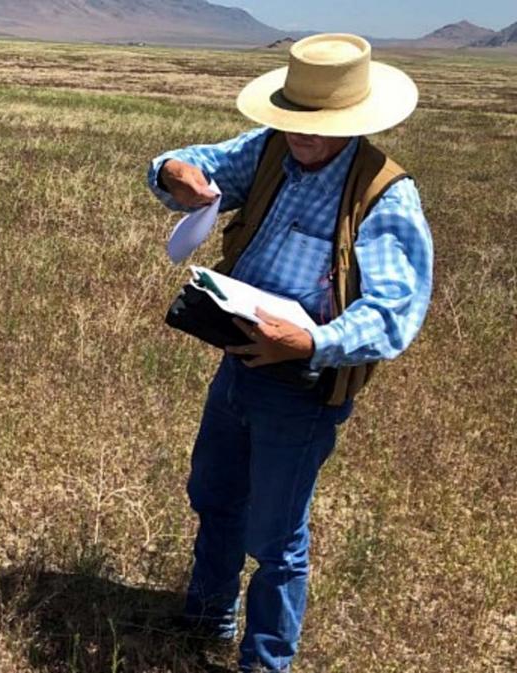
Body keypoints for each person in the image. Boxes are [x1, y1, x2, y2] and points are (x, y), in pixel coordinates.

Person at [145, 34, 434, 672]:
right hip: (238, 356)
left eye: (315, 123)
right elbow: (192, 163)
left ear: (353, 124)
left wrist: (309, 343)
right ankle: (207, 617)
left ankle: (265, 661)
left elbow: (393, 313)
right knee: (214, 494)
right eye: (291, 116)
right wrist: (174, 173)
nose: (298, 132)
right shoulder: (272, 149)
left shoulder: (385, 196)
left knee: (276, 539)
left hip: (302, 385)